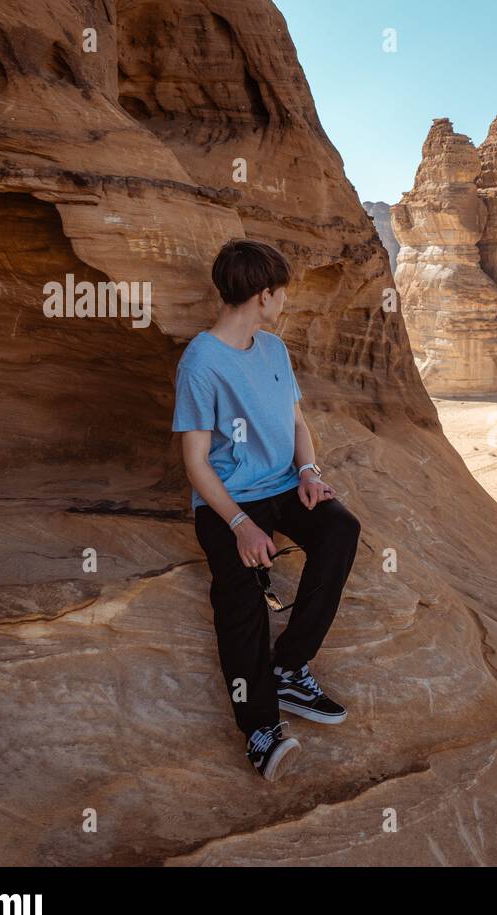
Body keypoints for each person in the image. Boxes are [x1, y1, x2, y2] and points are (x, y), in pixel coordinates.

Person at [171, 238, 361, 782]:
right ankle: (258, 726)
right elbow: (195, 463)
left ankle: (290, 666)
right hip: (228, 498)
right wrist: (239, 525)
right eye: (281, 293)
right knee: (240, 590)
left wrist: (309, 472)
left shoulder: (273, 349)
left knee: (339, 529)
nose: (285, 302)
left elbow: (298, 424)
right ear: (262, 295)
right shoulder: (201, 362)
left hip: (283, 482)